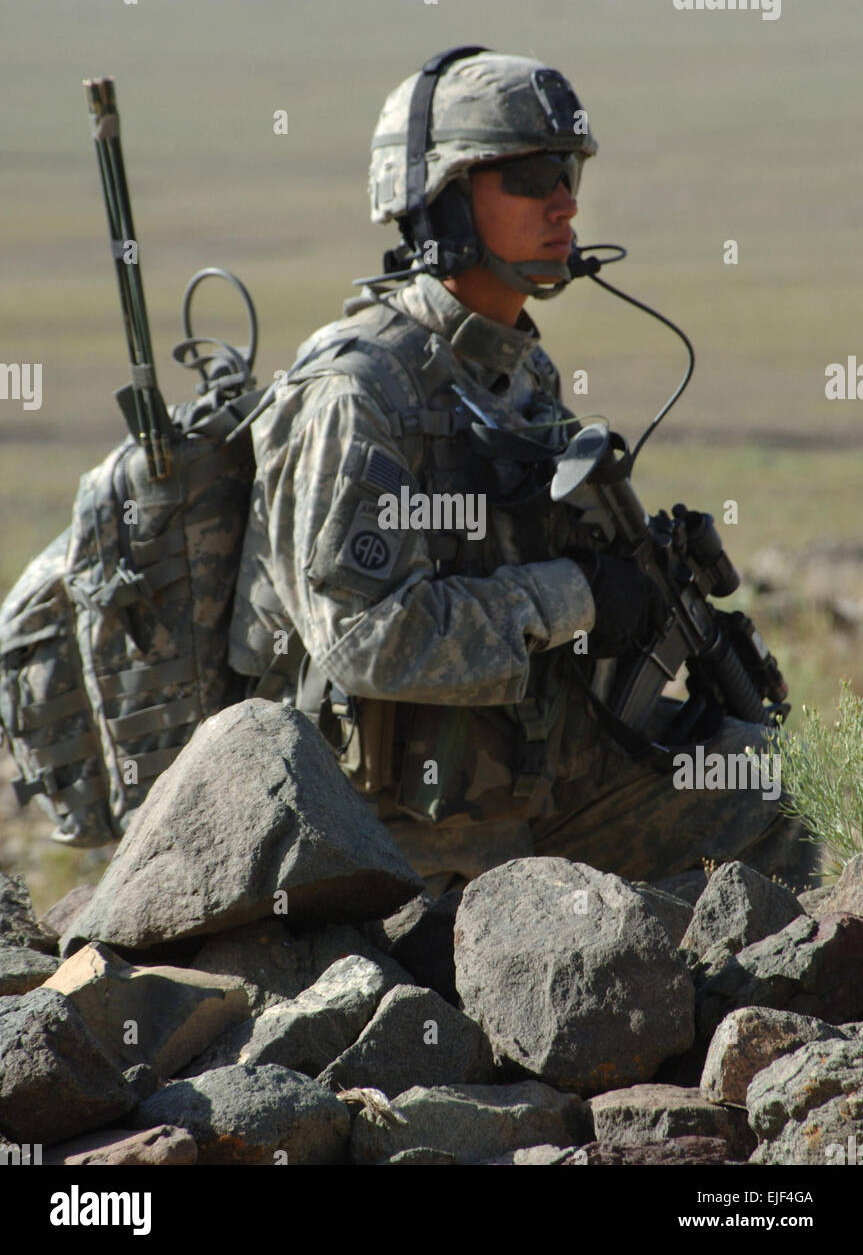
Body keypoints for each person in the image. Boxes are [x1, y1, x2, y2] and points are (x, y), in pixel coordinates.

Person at [229, 45, 821, 897]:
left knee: (779, 783)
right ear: (440, 199)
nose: (564, 201)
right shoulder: (359, 389)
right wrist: (574, 595)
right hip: (393, 836)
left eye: (569, 170)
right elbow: (362, 638)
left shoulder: (512, 374)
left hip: (532, 787)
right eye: (531, 174)